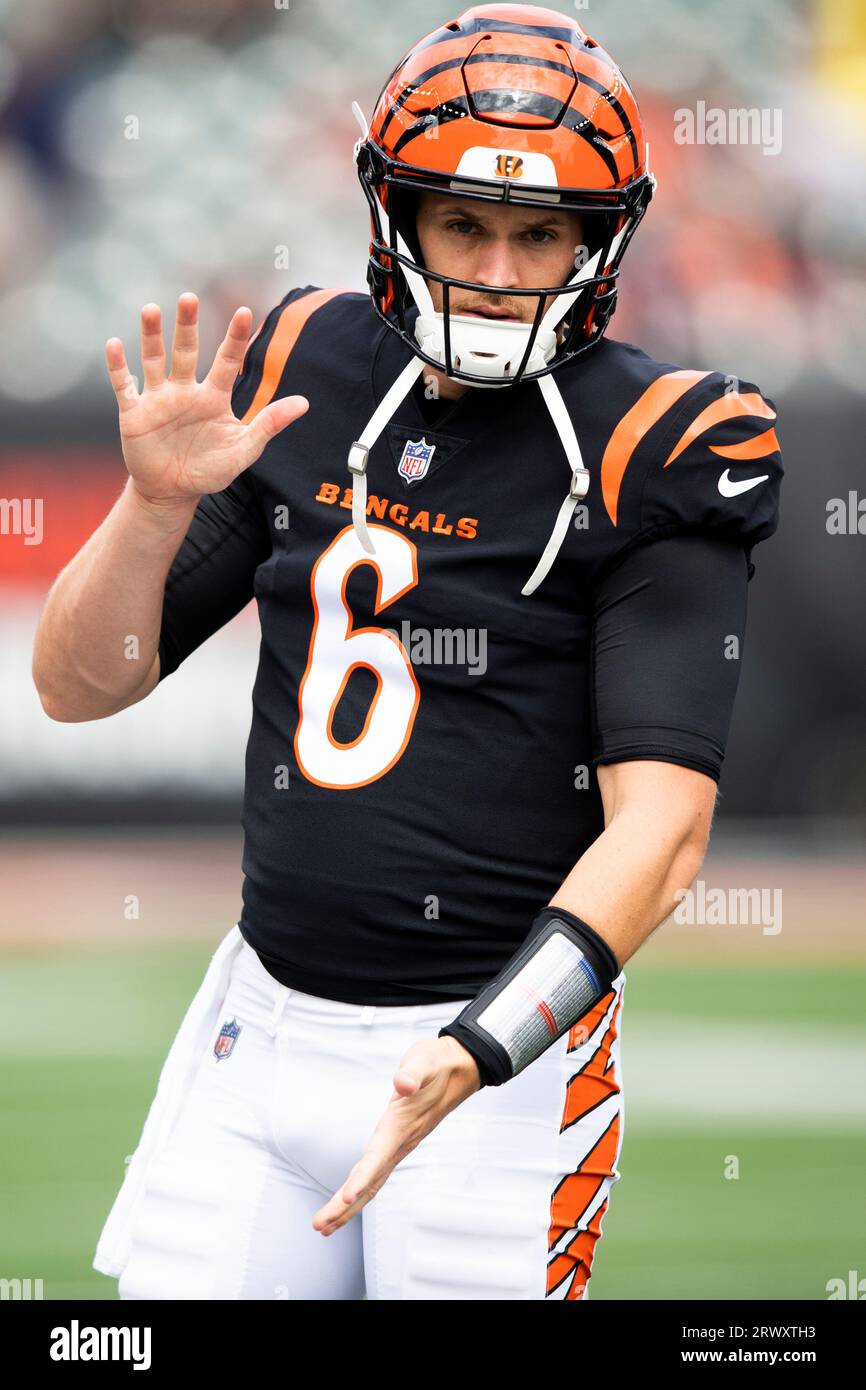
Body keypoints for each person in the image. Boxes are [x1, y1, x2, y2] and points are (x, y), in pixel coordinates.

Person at [32, 4, 782, 1300]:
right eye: (463, 223)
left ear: (595, 242)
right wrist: (151, 506)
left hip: (493, 1069)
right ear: (396, 217)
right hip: (254, 1028)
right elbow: (77, 686)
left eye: (536, 231)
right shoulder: (303, 363)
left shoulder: (655, 439)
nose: (496, 265)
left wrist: (483, 1046)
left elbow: (661, 838)